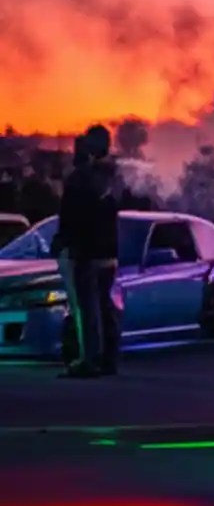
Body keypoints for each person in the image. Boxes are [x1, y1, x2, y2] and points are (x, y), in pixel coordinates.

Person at [56, 125, 120, 378]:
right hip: (107, 251)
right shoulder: (111, 176)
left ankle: (90, 359)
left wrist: (63, 239)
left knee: (88, 308)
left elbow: (73, 215)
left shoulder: (84, 178)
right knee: (104, 306)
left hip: (87, 252)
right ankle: (107, 359)